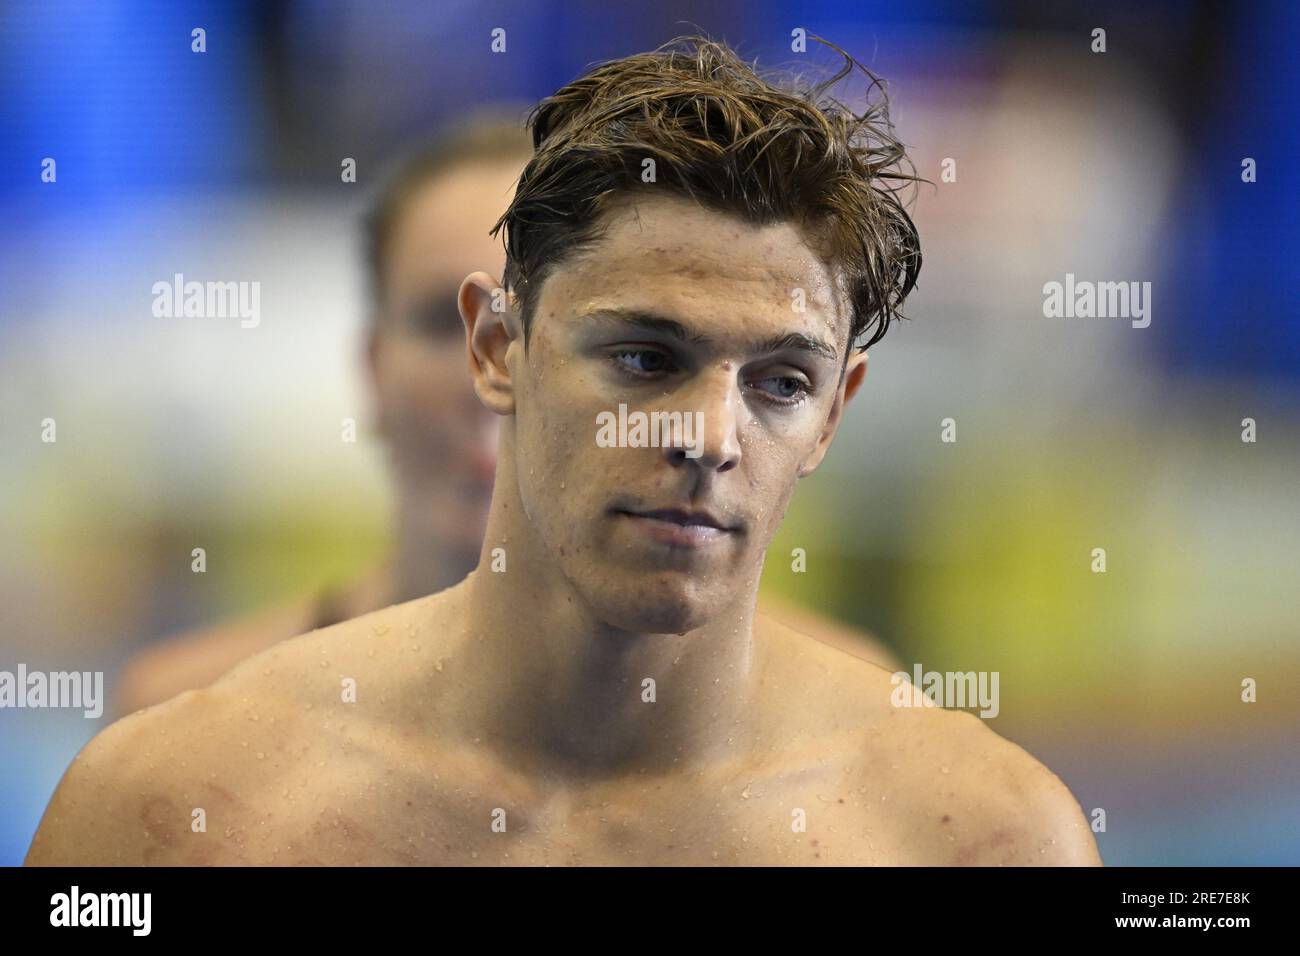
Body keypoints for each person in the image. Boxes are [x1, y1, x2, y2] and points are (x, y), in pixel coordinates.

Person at [27, 35, 1099, 866]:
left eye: (780, 382)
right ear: (498, 346)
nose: (708, 438)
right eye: (643, 358)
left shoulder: (983, 839)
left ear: (832, 414)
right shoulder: (185, 808)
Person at [113, 114, 900, 718]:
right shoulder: (191, 719)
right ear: (375, 365)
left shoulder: (860, 714)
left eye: (634, 350)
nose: (502, 378)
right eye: (437, 321)